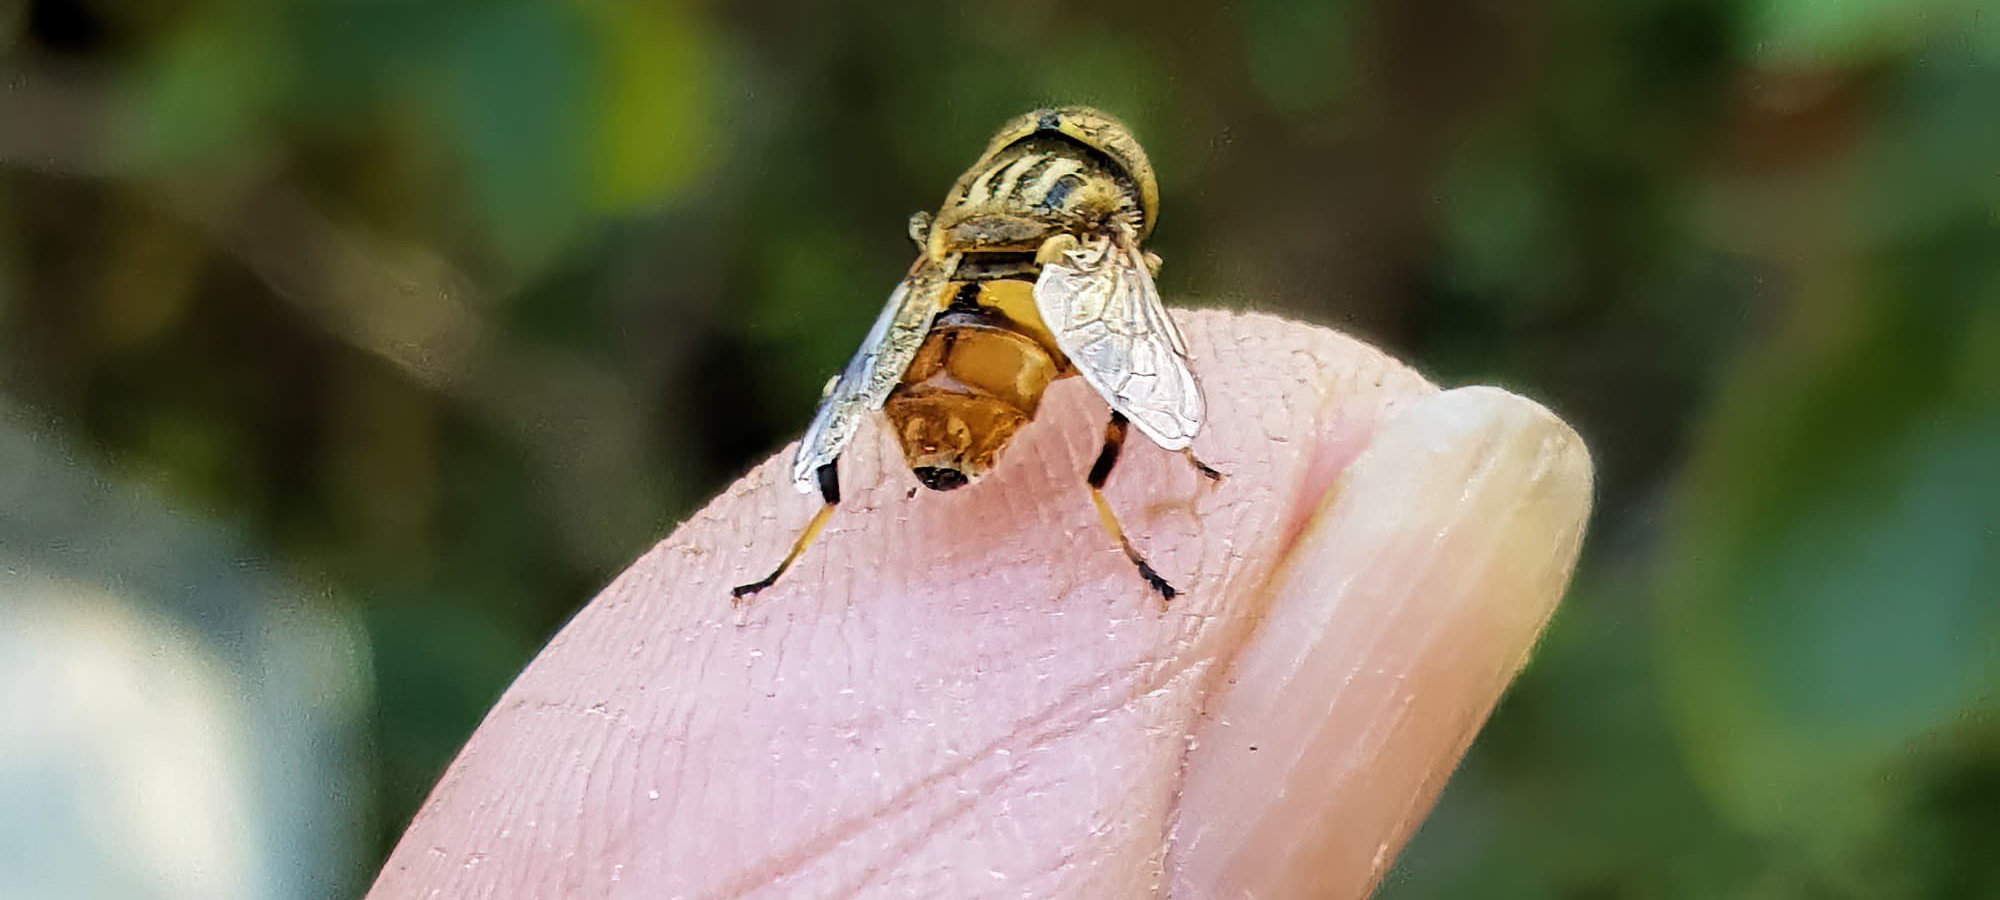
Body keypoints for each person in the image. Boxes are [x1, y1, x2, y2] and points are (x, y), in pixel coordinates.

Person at [366, 311, 1591, 898]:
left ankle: (816, 528)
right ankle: (1108, 524)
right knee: (1122, 407)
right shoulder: (1101, 266)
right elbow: (1131, 373)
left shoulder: (961, 242)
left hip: (938, 386)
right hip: (998, 397)